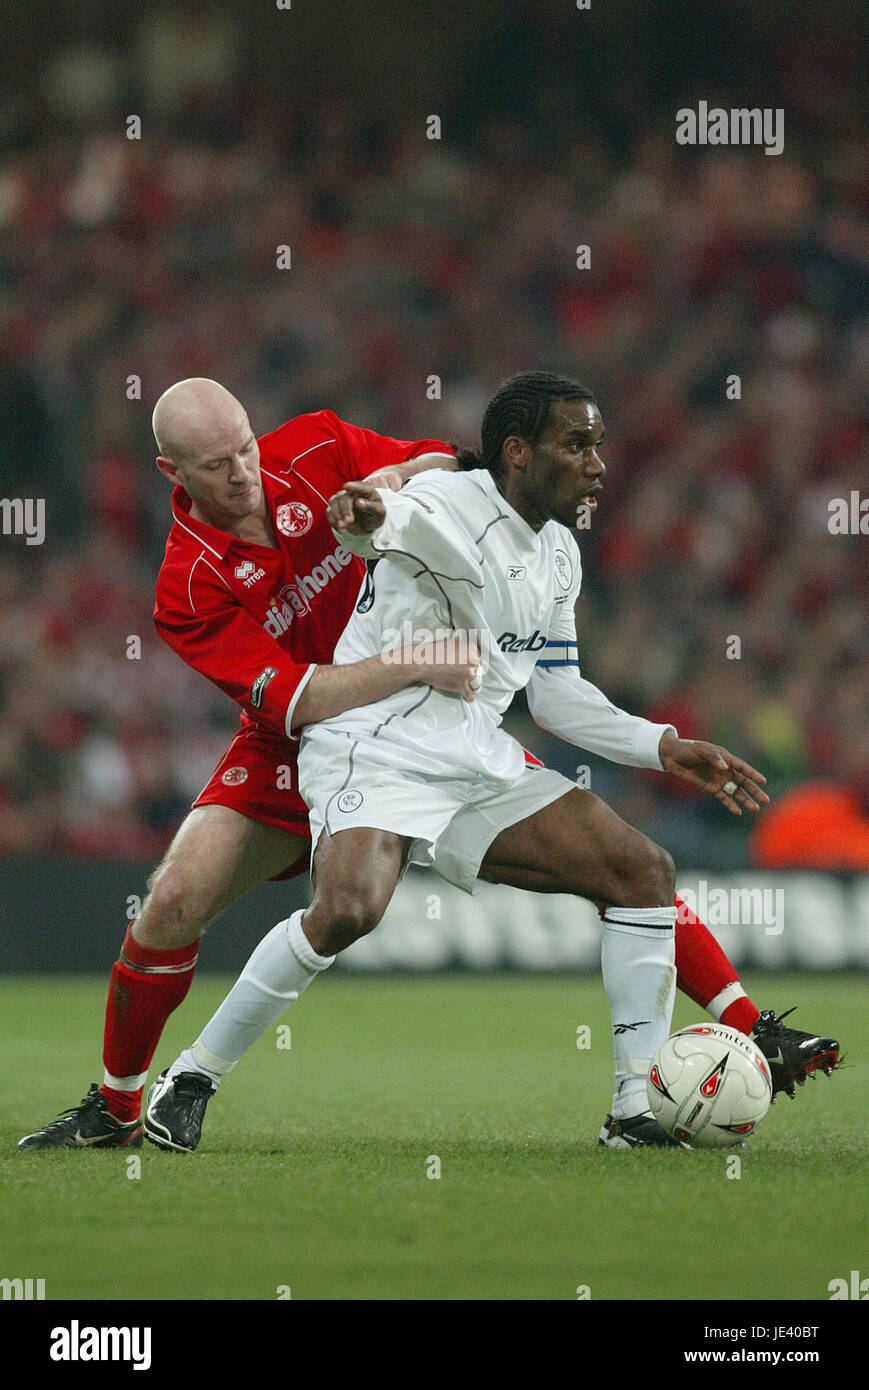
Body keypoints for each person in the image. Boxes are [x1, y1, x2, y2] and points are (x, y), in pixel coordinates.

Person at [144, 372, 839, 1154]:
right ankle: (193, 1076)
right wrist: (361, 509)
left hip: (471, 751)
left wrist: (662, 747)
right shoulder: (445, 508)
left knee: (640, 869)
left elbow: (554, 697)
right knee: (348, 909)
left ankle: (631, 1110)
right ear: (518, 451)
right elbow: (374, 525)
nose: (597, 465)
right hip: (375, 741)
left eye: (597, 446)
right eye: (577, 445)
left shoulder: (557, 557)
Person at [18, 378, 480, 1150]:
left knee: (597, 857)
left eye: (245, 447)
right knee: (168, 904)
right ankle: (117, 1106)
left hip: (420, 722)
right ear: (173, 473)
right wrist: (414, 662)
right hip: (296, 742)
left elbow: (449, 462)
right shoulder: (186, 584)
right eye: (216, 464)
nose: (242, 471)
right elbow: (297, 702)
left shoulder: (317, 445)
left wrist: (389, 481)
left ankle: (730, 1027)